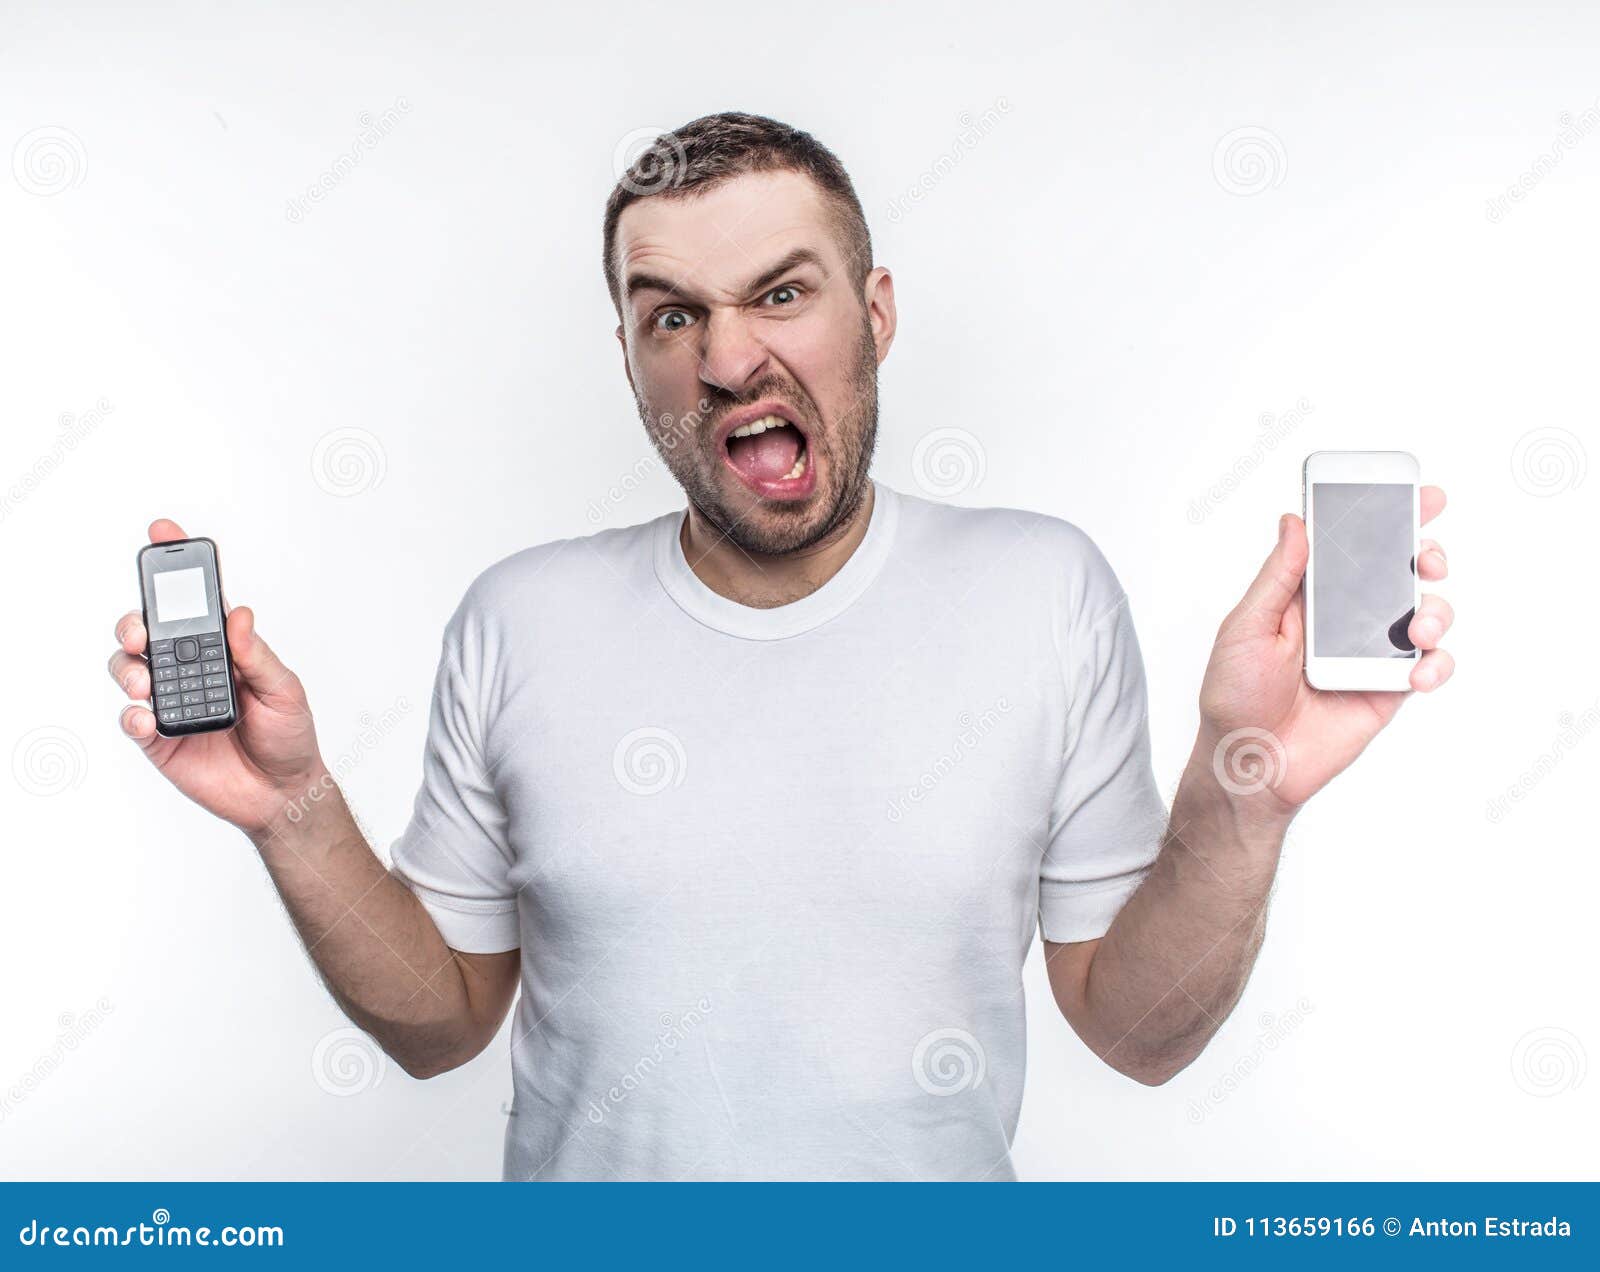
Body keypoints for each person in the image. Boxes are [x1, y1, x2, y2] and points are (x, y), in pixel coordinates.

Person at [107, 112, 1455, 1181]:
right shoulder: (518, 619)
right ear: (634, 356)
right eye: (672, 313)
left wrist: (1246, 779)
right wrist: (291, 809)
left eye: (780, 294)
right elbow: (439, 1026)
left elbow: (1140, 1034)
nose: (729, 357)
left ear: (875, 313)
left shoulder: (1044, 591)